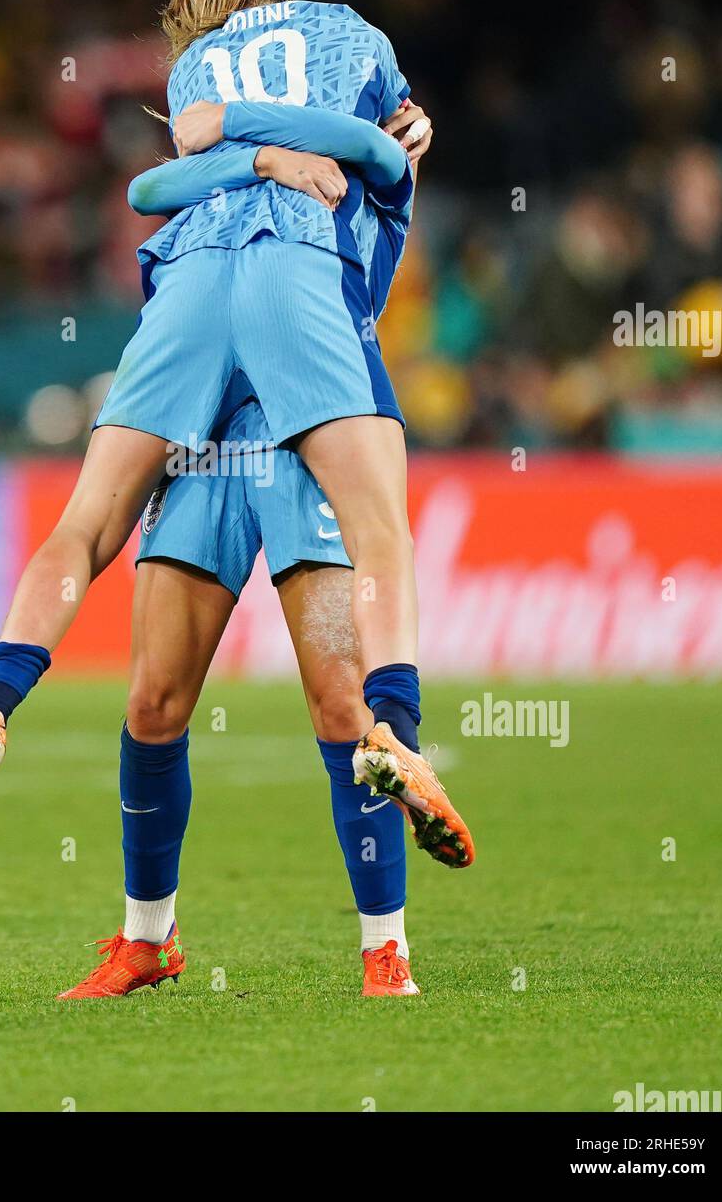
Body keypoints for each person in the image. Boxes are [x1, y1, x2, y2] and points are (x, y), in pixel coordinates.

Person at [0, 0, 471, 882]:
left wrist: (237, 136)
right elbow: (382, 149)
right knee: (379, 542)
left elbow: (149, 188)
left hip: (191, 300)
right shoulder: (356, 50)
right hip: (297, 306)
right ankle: (400, 735)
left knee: (91, 539)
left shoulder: (191, 76)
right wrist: (350, 138)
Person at [56, 103, 470, 1002]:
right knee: (153, 700)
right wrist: (256, 157)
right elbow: (149, 190)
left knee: (339, 703)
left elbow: (381, 175)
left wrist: (339, 142)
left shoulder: (353, 154)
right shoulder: (206, 184)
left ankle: (384, 951)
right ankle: (146, 940)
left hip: (300, 434)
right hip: (201, 441)